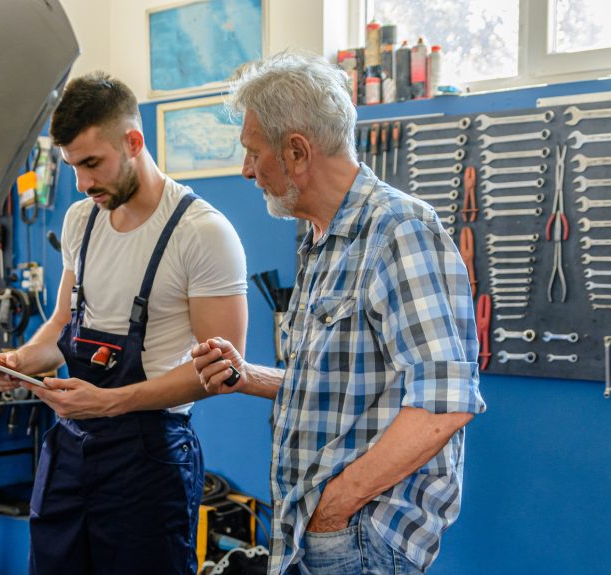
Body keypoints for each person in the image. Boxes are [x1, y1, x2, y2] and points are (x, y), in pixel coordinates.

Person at [192, 51, 486, 575]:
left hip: (356, 537)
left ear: (297, 152)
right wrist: (248, 376)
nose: (245, 170)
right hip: (312, 531)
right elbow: (348, 388)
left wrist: (334, 508)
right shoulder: (321, 240)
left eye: (252, 152)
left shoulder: (398, 231)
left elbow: (446, 404)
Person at [0, 72, 248, 575]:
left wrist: (110, 402)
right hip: (68, 453)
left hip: (148, 463)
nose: (82, 184)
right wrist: (18, 362)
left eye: (92, 164)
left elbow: (223, 373)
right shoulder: (82, 221)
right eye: (72, 166)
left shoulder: (203, 234)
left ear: (133, 142)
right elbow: (64, 324)